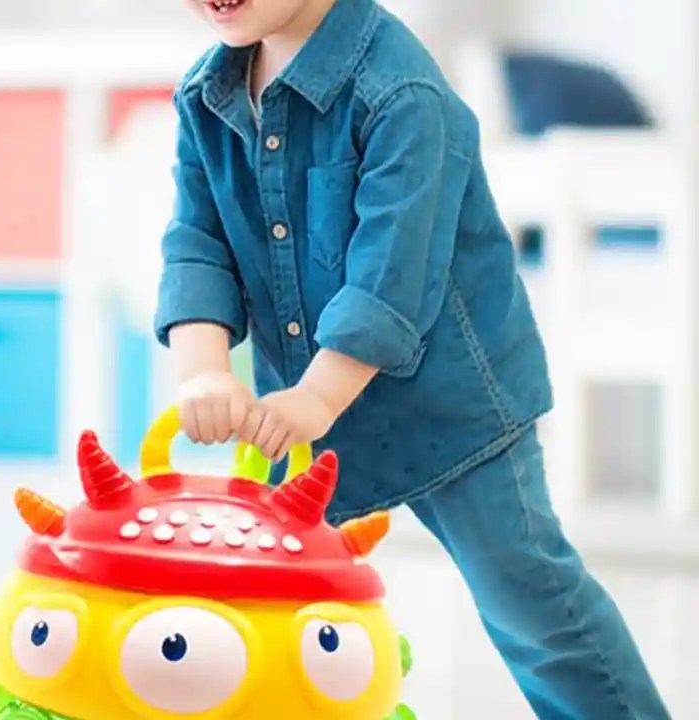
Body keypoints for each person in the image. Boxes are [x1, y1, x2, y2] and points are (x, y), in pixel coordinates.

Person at [156, 0, 671, 717]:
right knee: (270, 600)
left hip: (453, 410)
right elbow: (197, 243)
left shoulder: (402, 94)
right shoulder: (206, 98)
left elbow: (391, 274)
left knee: (528, 601)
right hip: (300, 415)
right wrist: (205, 368)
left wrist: (317, 399)